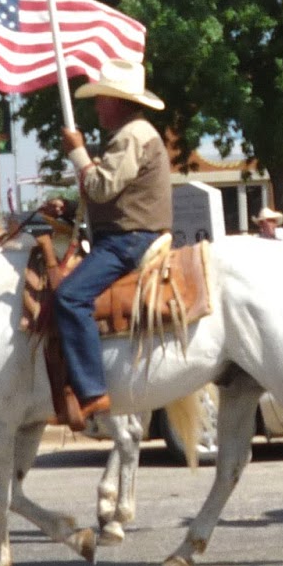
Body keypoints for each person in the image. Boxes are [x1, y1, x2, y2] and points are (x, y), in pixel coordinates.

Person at [58, 58, 171, 418]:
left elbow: (101, 188)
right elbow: (111, 192)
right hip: (131, 234)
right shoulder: (134, 133)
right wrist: (69, 207)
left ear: (115, 101)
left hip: (128, 239)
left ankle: (92, 389)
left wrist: (77, 152)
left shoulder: (131, 136)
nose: (96, 107)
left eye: (100, 99)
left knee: (69, 296)